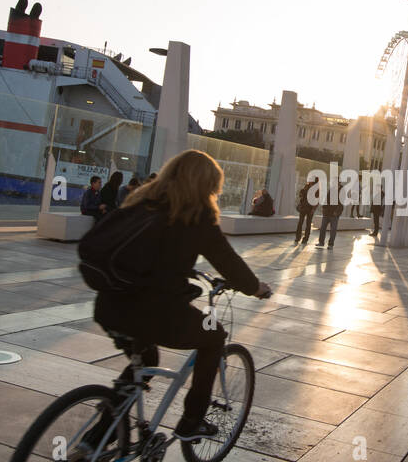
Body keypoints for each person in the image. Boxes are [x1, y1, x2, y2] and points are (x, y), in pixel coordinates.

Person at [92, 150, 273, 440]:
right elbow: (227, 261)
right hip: (155, 311)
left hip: (109, 305)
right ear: (207, 185)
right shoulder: (195, 213)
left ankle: (97, 439)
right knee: (213, 336)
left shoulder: (140, 200)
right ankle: (192, 421)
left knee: (146, 359)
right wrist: (255, 287)